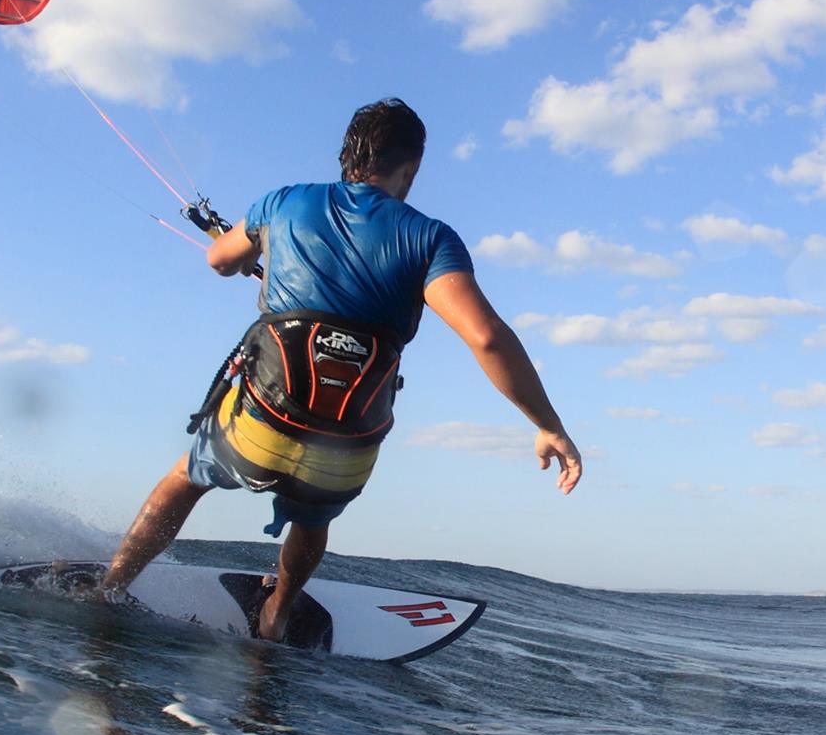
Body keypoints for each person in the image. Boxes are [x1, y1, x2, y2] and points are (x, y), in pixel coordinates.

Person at [98, 98, 581, 642]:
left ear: (346, 155)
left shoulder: (283, 203)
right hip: (344, 449)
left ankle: (110, 587)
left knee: (184, 481)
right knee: (313, 519)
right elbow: (487, 337)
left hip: (260, 423)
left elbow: (220, 259)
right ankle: (277, 614)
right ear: (411, 168)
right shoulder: (430, 238)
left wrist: (252, 258)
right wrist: (547, 425)